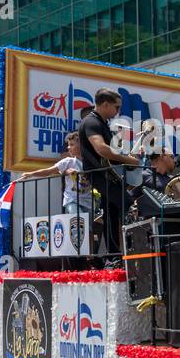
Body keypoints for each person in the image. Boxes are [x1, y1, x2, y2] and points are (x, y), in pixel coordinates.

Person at [76, 88, 141, 253]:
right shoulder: (92, 122)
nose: (118, 111)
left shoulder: (101, 123)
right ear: (105, 104)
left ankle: (113, 255)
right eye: (116, 107)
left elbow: (110, 153)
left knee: (111, 214)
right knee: (129, 205)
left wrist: (127, 157)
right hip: (100, 175)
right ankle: (135, 251)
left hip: (108, 175)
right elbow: (101, 149)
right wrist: (129, 160)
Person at [19, 132, 91, 217]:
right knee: (79, 221)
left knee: (88, 227)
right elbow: (48, 171)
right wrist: (31, 174)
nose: (68, 147)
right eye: (68, 145)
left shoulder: (90, 163)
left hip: (87, 201)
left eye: (72, 145)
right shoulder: (68, 161)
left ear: (82, 145)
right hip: (72, 200)